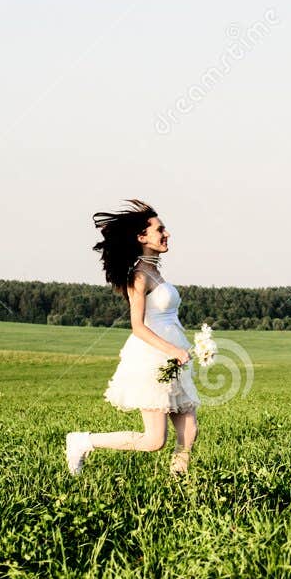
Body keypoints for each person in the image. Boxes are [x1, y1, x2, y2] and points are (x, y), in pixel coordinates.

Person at [65, 200, 200, 477]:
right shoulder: (138, 276)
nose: (167, 234)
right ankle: (83, 441)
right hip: (152, 358)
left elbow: (167, 317)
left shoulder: (155, 271)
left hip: (173, 357)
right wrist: (173, 349)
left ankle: (179, 487)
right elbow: (137, 326)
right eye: (160, 229)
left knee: (189, 430)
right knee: (154, 440)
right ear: (142, 237)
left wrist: (187, 347)